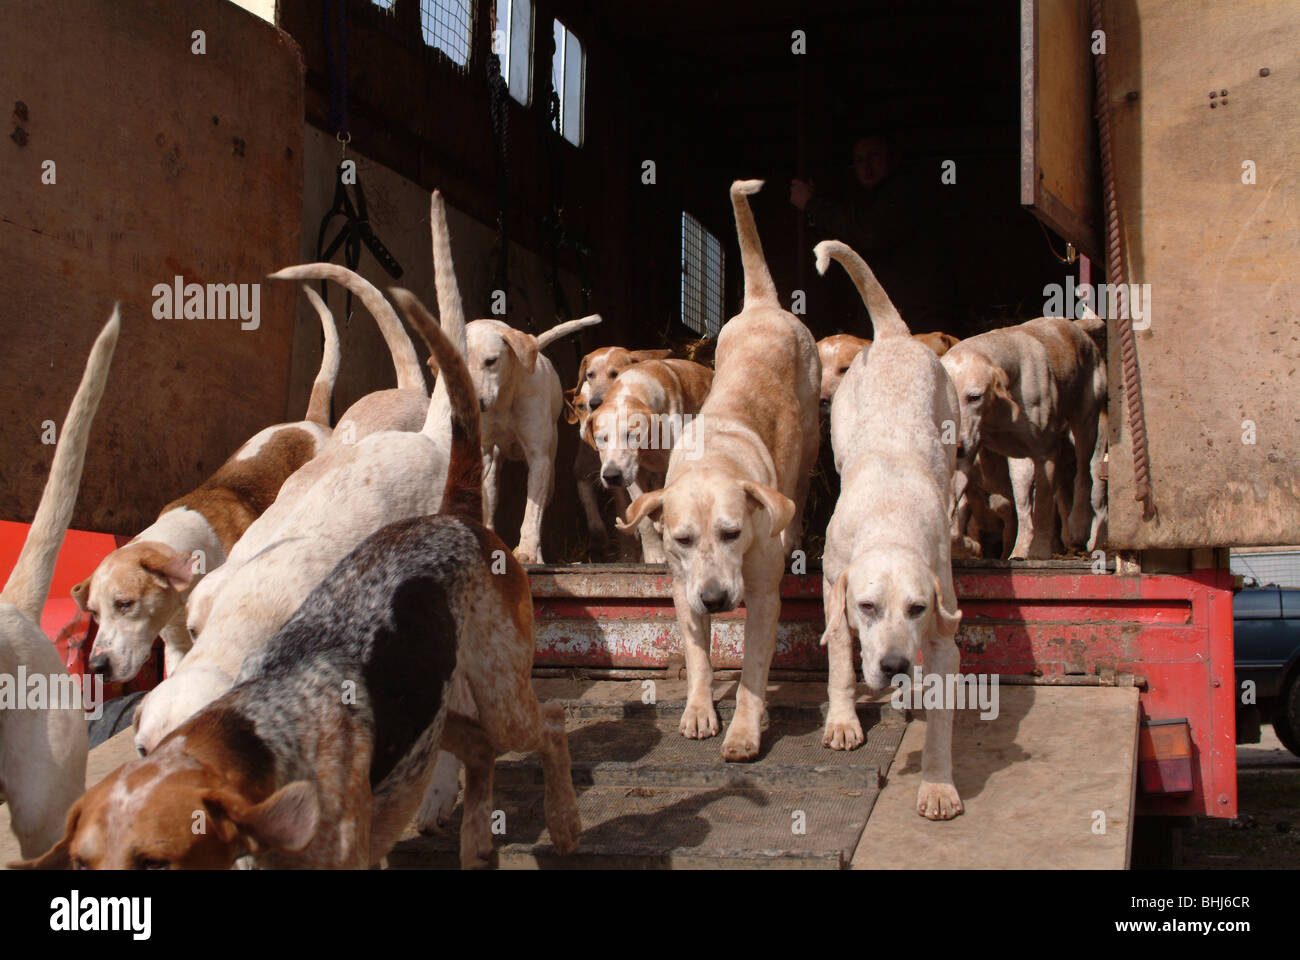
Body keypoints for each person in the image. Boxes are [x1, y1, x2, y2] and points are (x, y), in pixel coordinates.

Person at [792, 133, 956, 330]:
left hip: (915, 316)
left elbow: (869, 232)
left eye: (874, 157)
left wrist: (812, 204)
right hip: (896, 313)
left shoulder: (904, 191)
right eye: (859, 160)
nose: (866, 167)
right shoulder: (871, 198)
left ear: (893, 159)